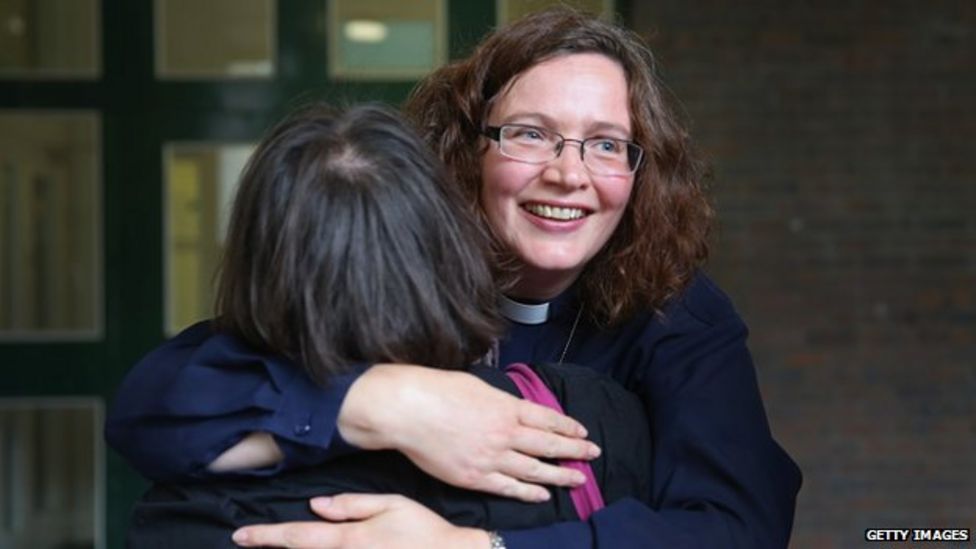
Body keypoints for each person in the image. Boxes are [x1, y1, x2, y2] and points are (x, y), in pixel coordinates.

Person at [107, 7, 801, 549]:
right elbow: (153, 408)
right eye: (530, 133)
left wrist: (477, 544)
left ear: (642, 173)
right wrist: (388, 400)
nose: (569, 171)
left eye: (606, 144)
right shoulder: (390, 277)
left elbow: (736, 527)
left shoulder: (677, 314)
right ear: (466, 149)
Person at [120, 103, 653, 548]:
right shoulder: (588, 423)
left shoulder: (184, 505)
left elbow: (147, 407)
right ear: (446, 246)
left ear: (259, 265)